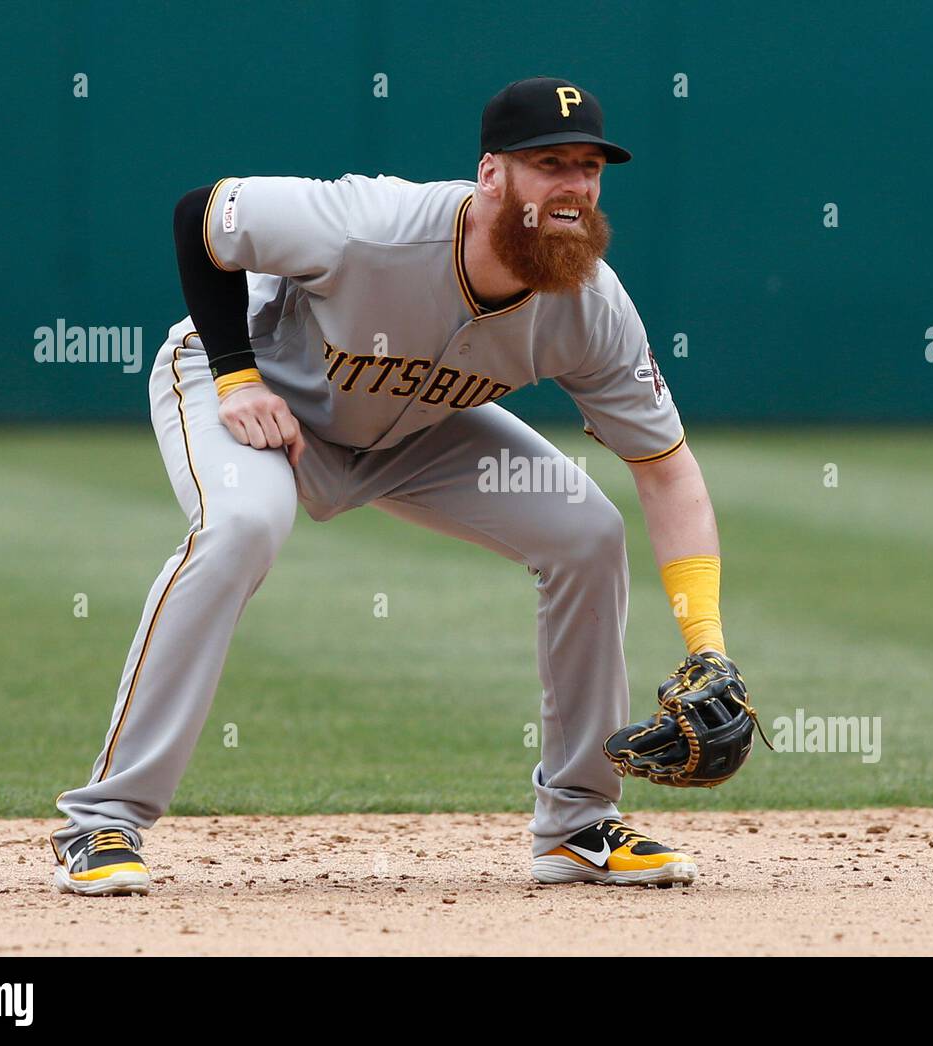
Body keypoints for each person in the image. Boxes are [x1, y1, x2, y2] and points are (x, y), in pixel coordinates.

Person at [50, 76, 739, 894]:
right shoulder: (368, 227)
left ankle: (578, 823)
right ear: (492, 175)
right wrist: (238, 378)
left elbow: (667, 473)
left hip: (412, 433)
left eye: (590, 167)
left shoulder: (589, 305)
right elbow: (202, 215)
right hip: (252, 391)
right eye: (550, 162)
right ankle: (103, 822)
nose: (576, 187)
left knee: (588, 533)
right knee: (243, 527)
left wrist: (709, 648)